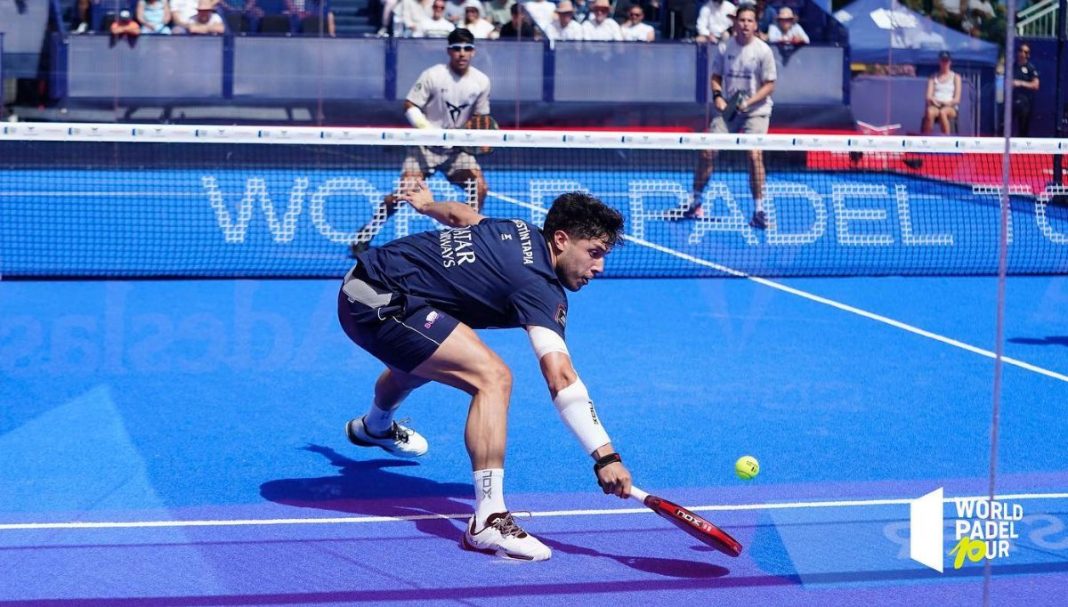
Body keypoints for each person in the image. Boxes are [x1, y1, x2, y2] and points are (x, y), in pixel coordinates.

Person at [338, 182, 632, 561]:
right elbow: (560, 376)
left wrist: (428, 205)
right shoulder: (540, 288)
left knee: (421, 361)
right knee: (492, 377)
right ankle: (488, 520)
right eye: (594, 253)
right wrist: (606, 456)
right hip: (376, 301)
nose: (599, 267)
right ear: (561, 239)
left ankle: (373, 427)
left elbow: (462, 216)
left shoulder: (519, 229)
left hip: (373, 288)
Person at [350, 29, 491, 256]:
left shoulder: (481, 81)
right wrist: (429, 131)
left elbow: (480, 117)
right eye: (456, 49)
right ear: (449, 51)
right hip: (424, 148)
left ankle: (469, 236)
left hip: (457, 150)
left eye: (466, 48)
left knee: (479, 187)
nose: (462, 53)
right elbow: (410, 105)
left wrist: (479, 138)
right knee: (403, 194)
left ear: (473, 52)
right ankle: (366, 233)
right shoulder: (433, 75)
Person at [681, 4, 776, 228]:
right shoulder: (725, 48)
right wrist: (718, 97)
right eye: (741, 20)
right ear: (735, 22)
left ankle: (759, 212)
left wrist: (749, 103)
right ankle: (695, 202)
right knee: (707, 152)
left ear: (755, 24)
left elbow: (770, 85)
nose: (745, 25)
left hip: (757, 111)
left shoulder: (763, 51)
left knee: (754, 156)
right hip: (729, 110)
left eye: (749, 21)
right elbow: (715, 76)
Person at [922, 51, 961, 135]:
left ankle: (947, 139)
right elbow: (928, 96)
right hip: (936, 105)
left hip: (950, 107)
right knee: (929, 112)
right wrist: (933, 100)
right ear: (939, 62)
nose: (944, 63)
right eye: (943, 60)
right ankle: (926, 139)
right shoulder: (933, 77)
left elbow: (957, 99)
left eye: (946, 61)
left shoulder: (956, 77)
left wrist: (947, 103)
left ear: (950, 62)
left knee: (943, 113)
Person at [1012, 43, 1039, 137]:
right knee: (1005, 125)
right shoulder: (1013, 66)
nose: (1022, 53)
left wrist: (1020, 83)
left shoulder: (1030, 68)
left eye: (1025, 52)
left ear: (1028, 55)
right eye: (1021, 51)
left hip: (1025, 102)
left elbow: (1036, 85)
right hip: (1011, 101)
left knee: (1023, 128)